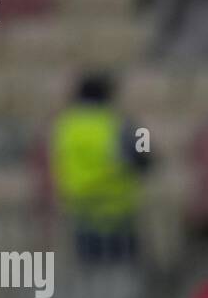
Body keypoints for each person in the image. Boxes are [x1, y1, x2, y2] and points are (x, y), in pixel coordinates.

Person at [50, 73, 150, 264]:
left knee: (91, 282)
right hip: (118, 213)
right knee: (123, 275)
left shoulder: (64, 126)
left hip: (81, 211)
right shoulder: (120, 123)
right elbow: (144, 156)